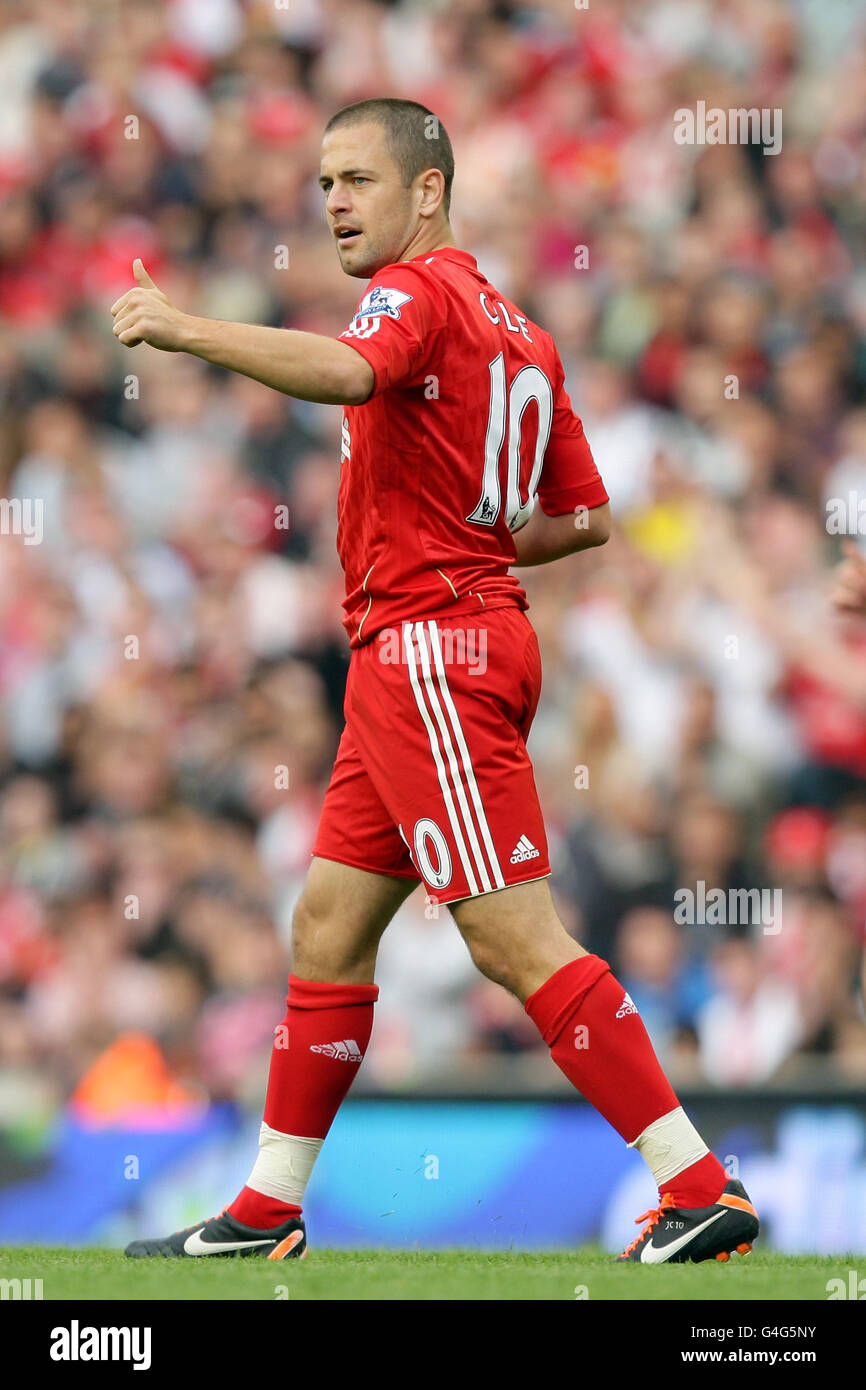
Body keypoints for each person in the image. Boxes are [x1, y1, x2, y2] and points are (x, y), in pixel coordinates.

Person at [112, 98, 758, 1264]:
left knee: (511, 938)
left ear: (427, 190)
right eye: (322, 184)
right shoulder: (522, 329)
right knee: (325, 925)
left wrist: (183, 327)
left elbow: (351, 374)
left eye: (356, 178)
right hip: (431, 645)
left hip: (428, 650)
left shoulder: (411, 295)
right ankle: (265, 1208)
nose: (333, 203)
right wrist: (465, 537)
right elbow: (585, 517)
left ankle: (695, 1181)